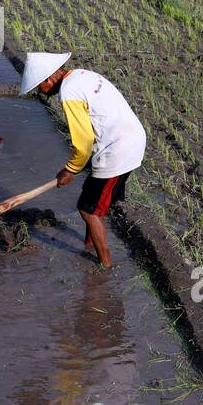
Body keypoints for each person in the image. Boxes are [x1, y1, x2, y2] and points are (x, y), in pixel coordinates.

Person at [19, 52, 146, 268]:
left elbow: (84, 141)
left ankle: (105, 266)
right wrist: (76, 168)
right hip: (129, 139)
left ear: (48, 79)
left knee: (87, 209)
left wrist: (70, 170)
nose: (41, 92)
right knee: (91, 196)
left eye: (39, 87)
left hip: (117, 150)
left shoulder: (68, 92)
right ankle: (89, 244)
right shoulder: (81, 75)